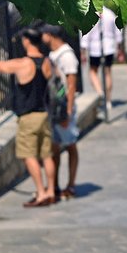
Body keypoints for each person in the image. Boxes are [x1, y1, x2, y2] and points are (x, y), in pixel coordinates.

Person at [0, 28, 56, 208]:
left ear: (27, 41)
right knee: (47, 155)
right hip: (44, 113)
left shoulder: (23, 64)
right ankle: (51, 191)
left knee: (28, 156)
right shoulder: (46, 62)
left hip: (28, 117)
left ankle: (41, 193)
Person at [41, 25, 80, 200]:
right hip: (55, 107)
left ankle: (70, 185)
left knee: (70, 145)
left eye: (44, 34)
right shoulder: (53, 54)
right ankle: (54, 185)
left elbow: (71, 84)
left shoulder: (67, 56)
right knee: (55, 147)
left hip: (64, 107)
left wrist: (68, 111)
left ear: (50, 35)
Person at [80, 7, 125, 110]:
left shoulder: (90, 15)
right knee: (107, 72)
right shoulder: (110, 13)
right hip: (109, 47)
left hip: (95, 48)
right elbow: (118, 32)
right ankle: (108, 100)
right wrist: (119, 49)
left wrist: (83, 51)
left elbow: (86, 34)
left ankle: (100, 93)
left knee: (92, 71)